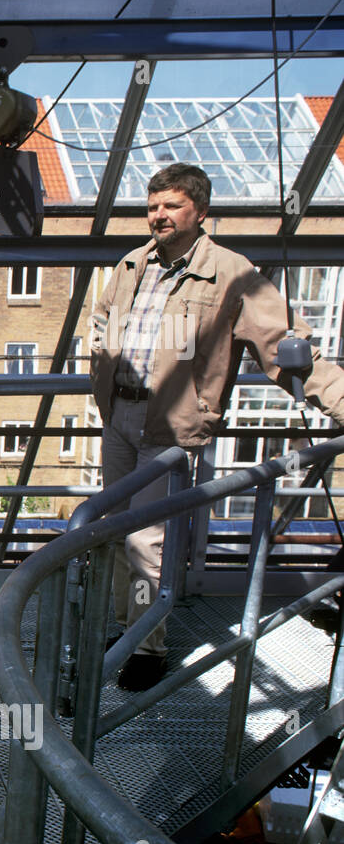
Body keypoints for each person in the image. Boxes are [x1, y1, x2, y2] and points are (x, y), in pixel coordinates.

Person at [89, 163, 344, 691]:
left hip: (171, 426)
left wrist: (339, 399)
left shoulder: (232, 273)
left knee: (145, 544)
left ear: (200, 212)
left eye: (171, 205)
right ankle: (121, 626)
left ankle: (142, 646)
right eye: (153, 205)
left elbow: (285, 350)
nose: (158, 215)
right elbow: (103, 322)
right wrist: (98, 358)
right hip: (120, 418)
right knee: (111, 534)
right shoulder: (133, 264)